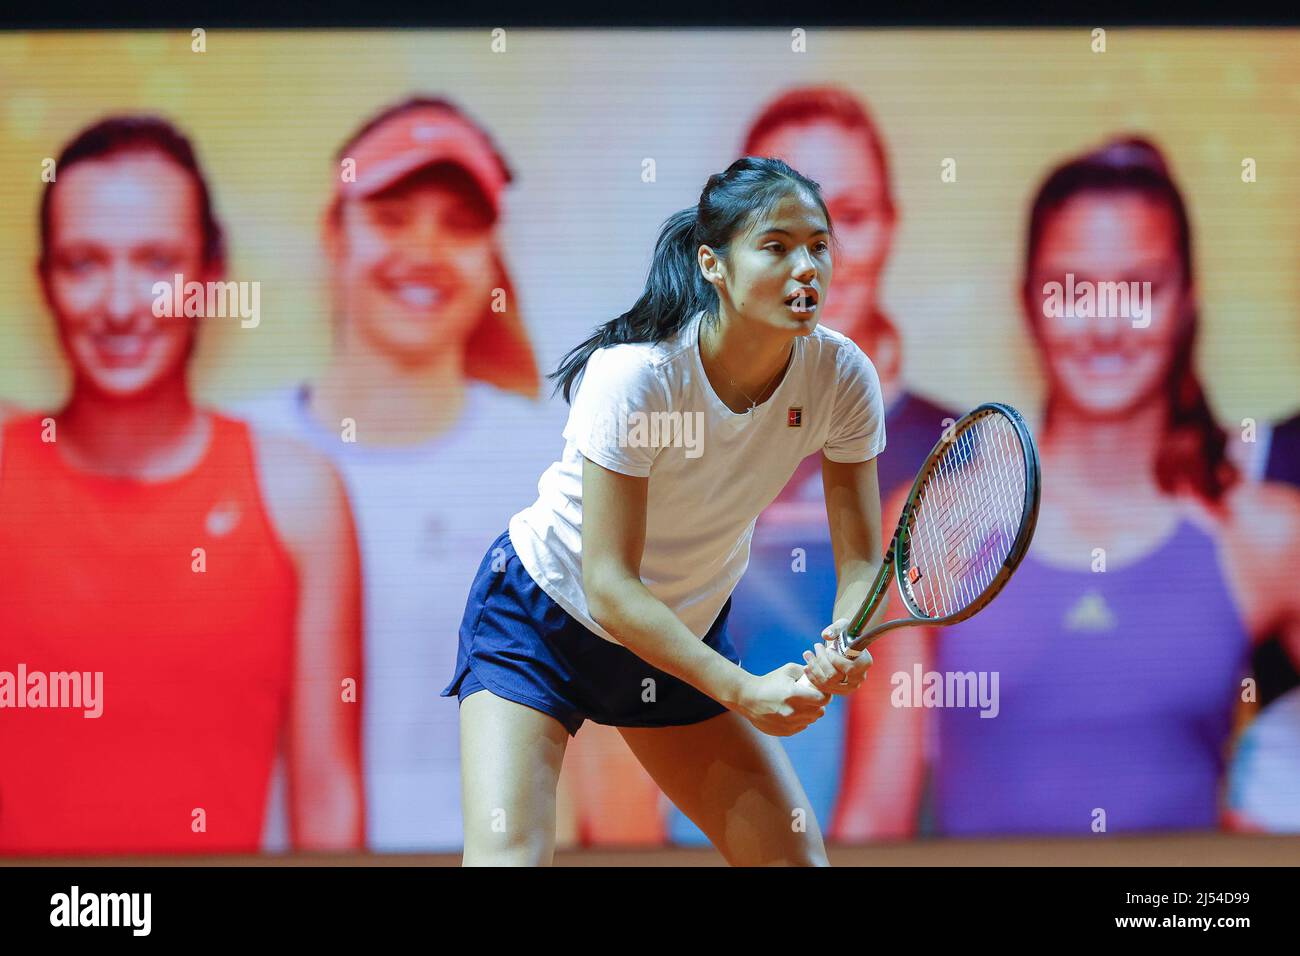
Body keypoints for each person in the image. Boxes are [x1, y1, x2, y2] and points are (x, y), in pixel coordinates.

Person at [844, 136, 1300, 836]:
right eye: (1072, 290)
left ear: (1186, 303)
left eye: (1141, 289)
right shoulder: (936, 519)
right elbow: (873, 820)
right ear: (1028, 302)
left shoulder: (1265, 534)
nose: (1106, 326)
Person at [443, 156, 889, 865]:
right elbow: (609, 586)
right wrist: (743, 690)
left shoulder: (841, 377)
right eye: (776, 247)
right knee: (508, 856)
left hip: (679, 634)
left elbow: (862, 559)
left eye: (818, 246)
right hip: (541, 619)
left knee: (792, 858)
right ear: (713, 265)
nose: (806, 267)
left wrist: (847, 634)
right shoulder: (638, 376)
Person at [0, 116, 363, 854]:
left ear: (210, 277)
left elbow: (327, 807)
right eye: (83, 263)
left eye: (157, 262)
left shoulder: (297, 496)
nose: (121, 305)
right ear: (44, 281)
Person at [233, 97, 563, 851]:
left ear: (492, 259)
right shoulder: (241, 454)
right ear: (333, 236)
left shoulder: (551, 470)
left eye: (459, 225)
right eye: (390, 217)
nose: (424, 250)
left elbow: (612, 753)